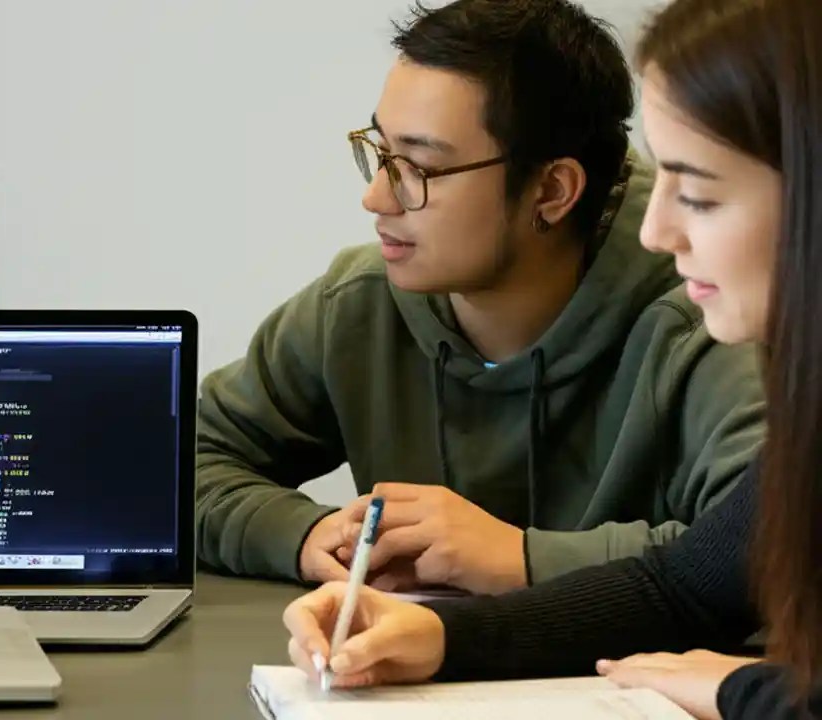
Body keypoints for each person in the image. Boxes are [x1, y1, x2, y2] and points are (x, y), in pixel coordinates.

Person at [281, 0, 822, 716]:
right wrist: (443, 636)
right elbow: (686, 586)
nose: (657, 231)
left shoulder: (695, 335)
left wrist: (744, 691)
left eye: (696, 193)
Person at [196, 0, 765, 595]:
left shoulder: (710, 319)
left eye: (417, 166)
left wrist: (517, 557)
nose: (376, 198)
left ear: (551, 189)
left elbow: (770, 549)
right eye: (381, 151)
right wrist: (307, 534)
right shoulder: (358, 303)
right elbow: (183, 463)